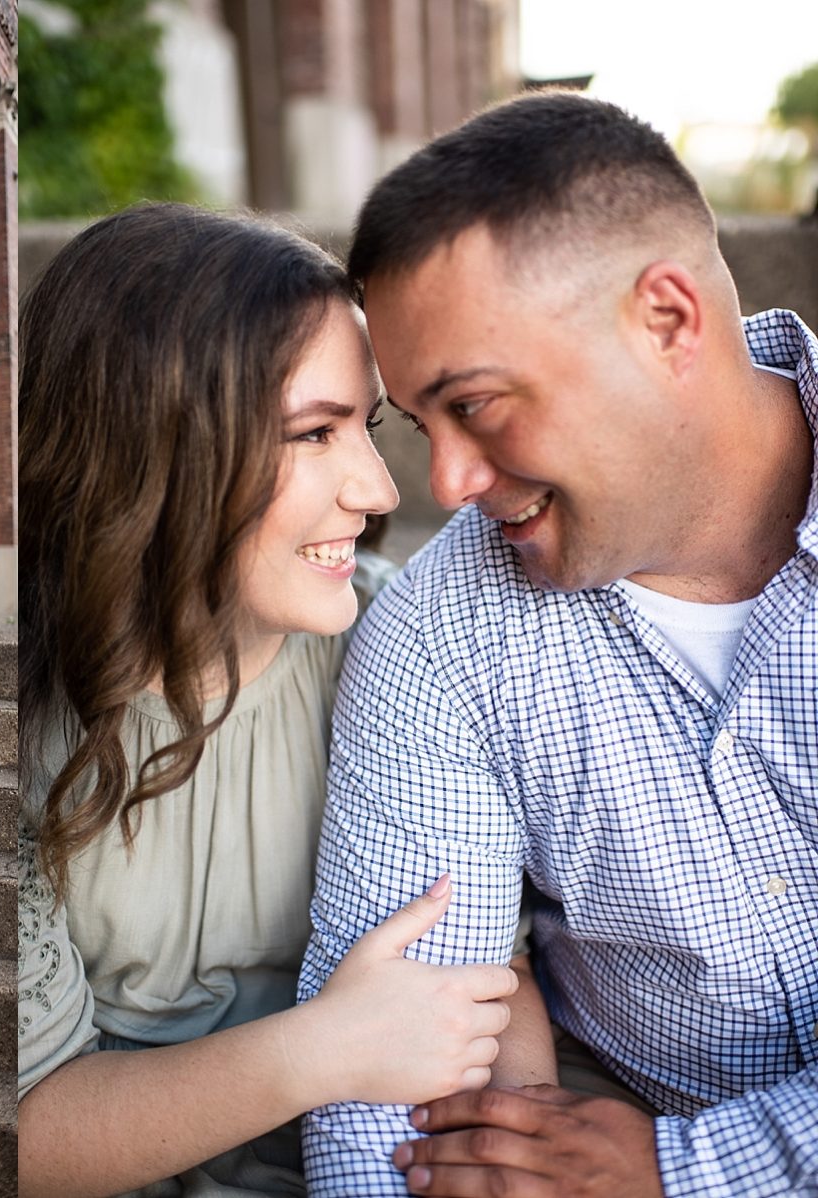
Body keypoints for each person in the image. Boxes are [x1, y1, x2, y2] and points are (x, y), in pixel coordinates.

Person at [297, 90, 818, 1198]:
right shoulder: (440, 632)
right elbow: (386, 1064)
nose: (442, 483)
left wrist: (688, 1172)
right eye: (418, 424)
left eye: (475, 404)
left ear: (667, 321)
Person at [17, 202, 545, 1198]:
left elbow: (484, 980)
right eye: (314, 433)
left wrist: (515, 1151)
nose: (380, 490)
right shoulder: (13, 727)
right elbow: (25, 1134)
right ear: (151, 447)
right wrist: (324, 1050)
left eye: (367, 427)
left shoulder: (402, 649)